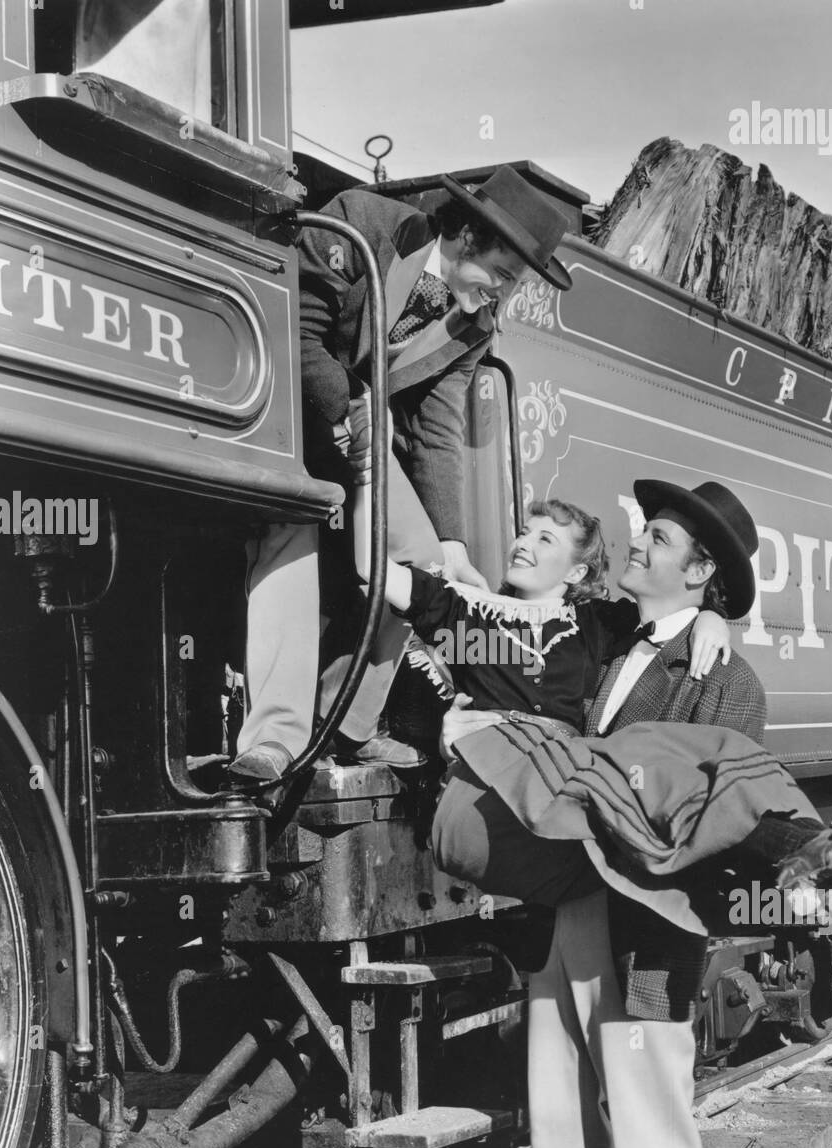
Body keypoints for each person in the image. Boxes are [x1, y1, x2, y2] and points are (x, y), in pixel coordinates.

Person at [433, 478, 832, 1148]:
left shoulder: (727, 682)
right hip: (563, 908)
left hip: (645, 920)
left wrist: (711, 625)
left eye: (659, 539)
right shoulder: (600, 640)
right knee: (561, 1119)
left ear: (700, 572)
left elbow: (721, 817)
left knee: (645, 1120)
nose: (640, 542)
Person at [229, 165, 576, 780]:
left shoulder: (474, 326)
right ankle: (275, 740)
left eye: (512, 285)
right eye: (500, 275)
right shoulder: (360, 223)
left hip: (359, 439)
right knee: (294, 529)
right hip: (281, 414)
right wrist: (353, 412)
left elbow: (438, 431)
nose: (502, 294)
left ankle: (343, 727)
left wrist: (452, 541)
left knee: (424, 567)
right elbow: (294, 332)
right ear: (466, 237)